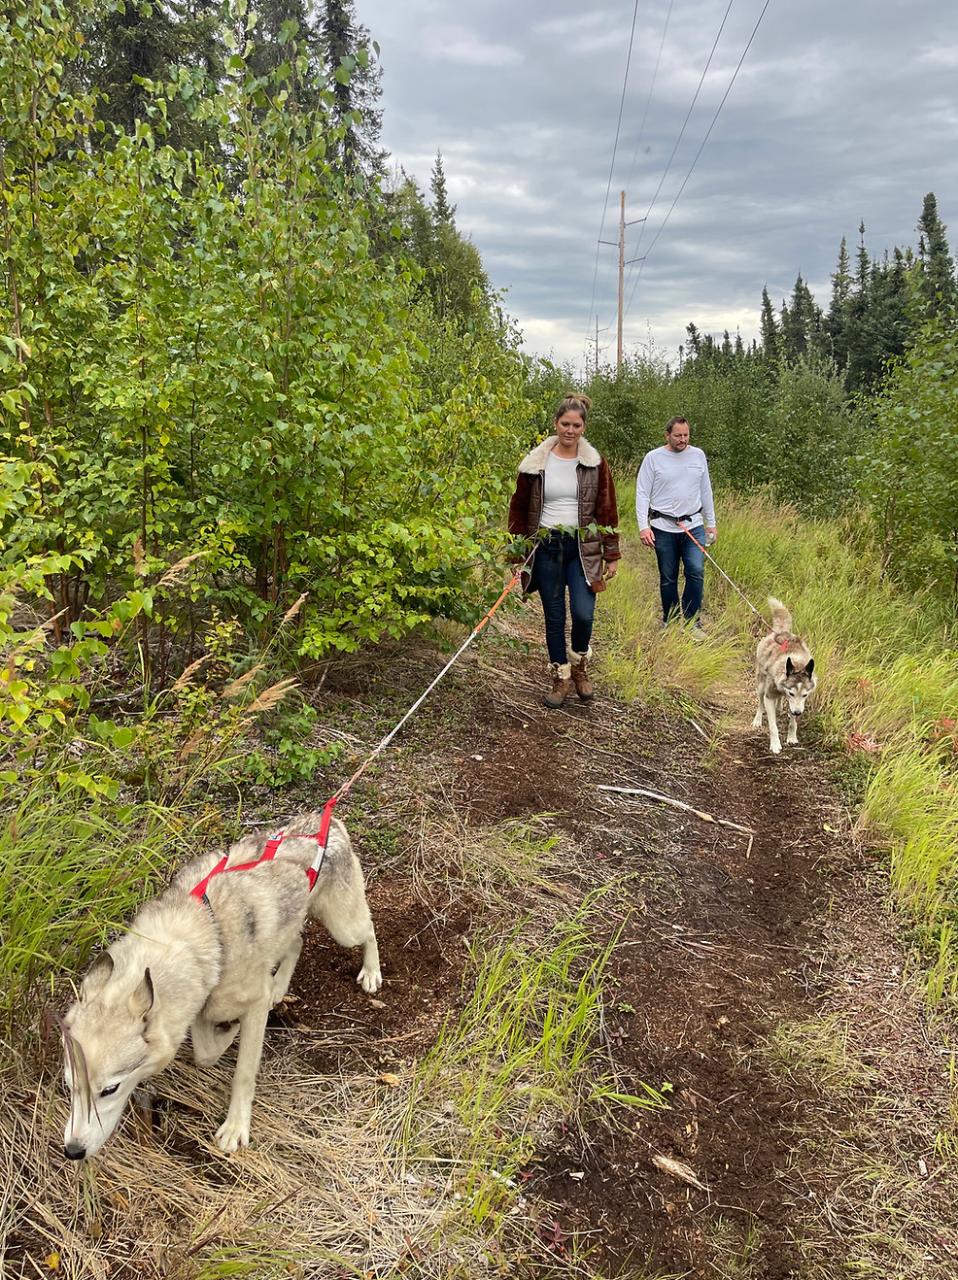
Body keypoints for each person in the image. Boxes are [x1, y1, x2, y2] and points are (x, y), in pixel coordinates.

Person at [508, 393, 620, 708]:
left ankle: (580, 665)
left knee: (584, 614)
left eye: (576, 425)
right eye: (565, 424)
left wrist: (611, 554)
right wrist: (517, 554)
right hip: (545, 546)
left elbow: (608, 510)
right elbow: (517, 509)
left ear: (584, 427)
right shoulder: (535, 463)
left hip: (582, 548)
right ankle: (560, 676)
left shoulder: (595, 463)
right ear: (556, 424)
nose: (570, 430)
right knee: (554, 616)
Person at [635, 416, 716, 633]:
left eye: (686, 435)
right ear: (667, 435)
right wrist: (644, 526)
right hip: (663, 526)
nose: (682, 440)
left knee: (696, 571)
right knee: (668, 576)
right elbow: (642, 493)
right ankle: (670, 621)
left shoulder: (698, 455)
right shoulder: (653, 458)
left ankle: (692, 622)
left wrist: (711, 523)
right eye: (678, 435)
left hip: (694, 525)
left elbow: (705, 490)